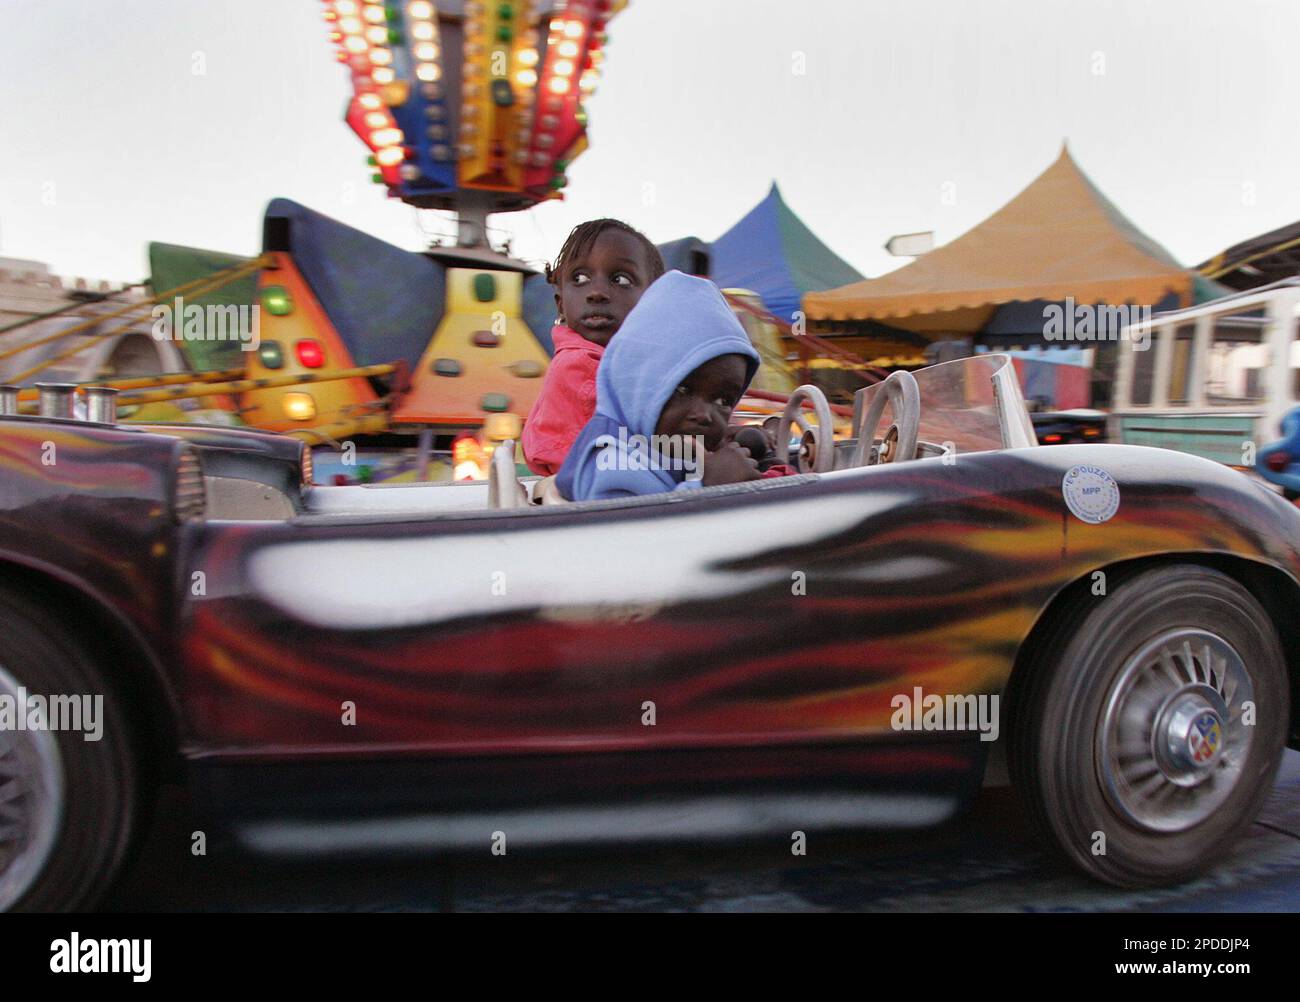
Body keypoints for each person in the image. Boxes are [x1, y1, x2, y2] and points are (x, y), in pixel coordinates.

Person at [557, 270, 765, 501]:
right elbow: (630, 532)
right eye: (683, 390)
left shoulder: (659, 443)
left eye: (723, 401)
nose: (705, 415)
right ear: (637, 382)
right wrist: (709, 487)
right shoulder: (612, 462)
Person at [522, 219, 666, 476]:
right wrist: (702, 461)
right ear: (561, 304)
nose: (597, 292)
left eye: (620, 279)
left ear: (653, 300)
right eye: (580, 278)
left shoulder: (621, 366)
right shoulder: (585, 367)